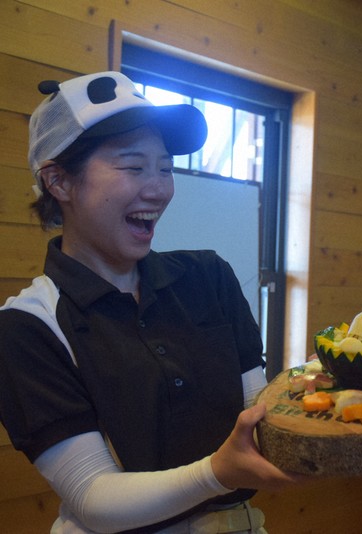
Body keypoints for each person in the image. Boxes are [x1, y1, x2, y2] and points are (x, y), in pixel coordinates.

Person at [0, 71, 302, 533]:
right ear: (59, 182)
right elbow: (92, 496)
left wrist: (317, 396)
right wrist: (216, 472)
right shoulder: (29, 326)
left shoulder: (209, 278)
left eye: (164, 167)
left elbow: (256, 413)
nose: (159, 188)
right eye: (133, 167)